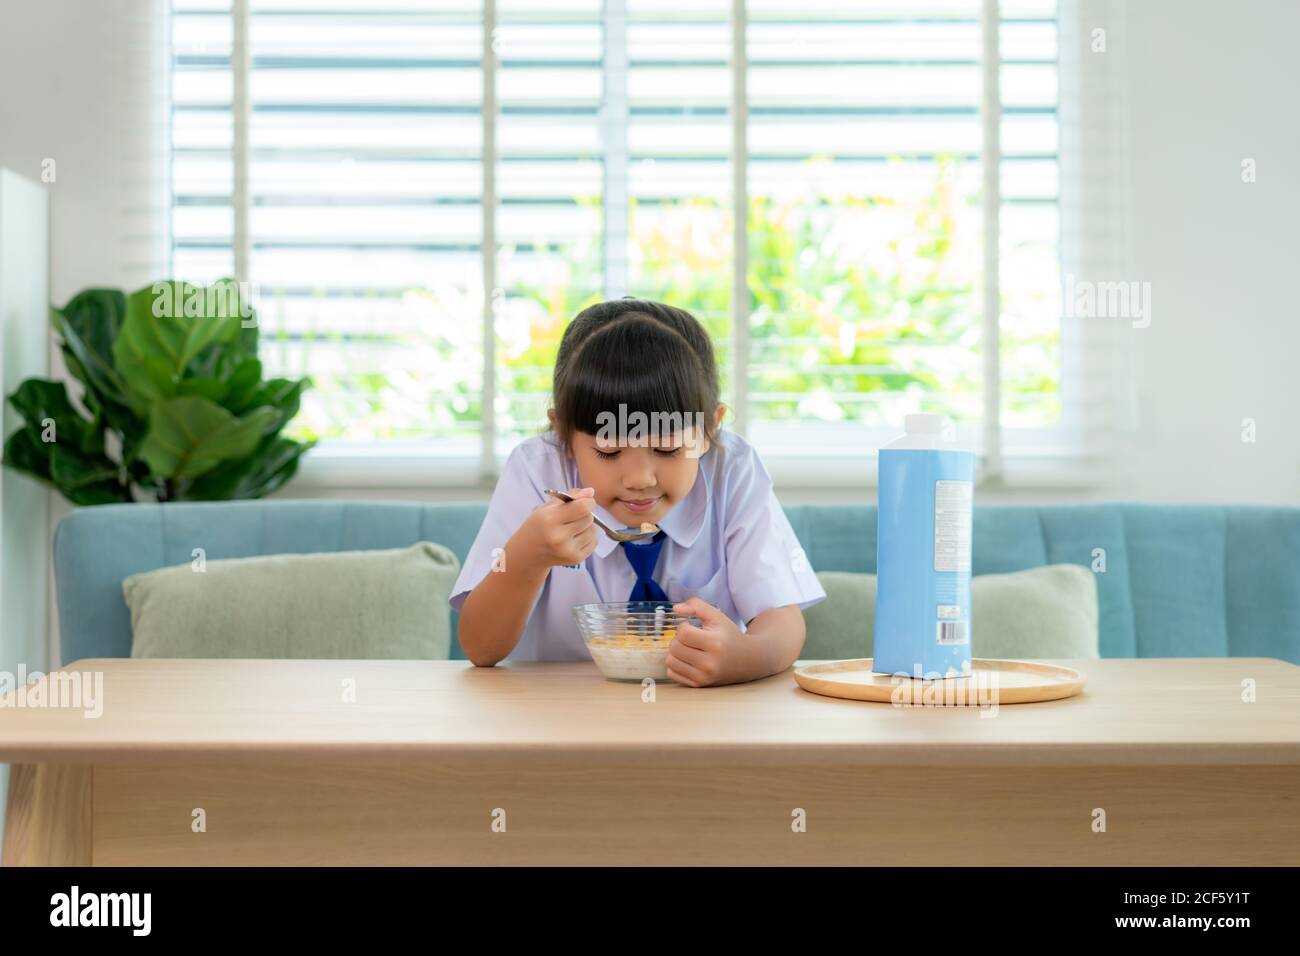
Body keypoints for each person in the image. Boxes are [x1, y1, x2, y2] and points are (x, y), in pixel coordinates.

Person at [450, 298, 826, 686]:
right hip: (560, 720)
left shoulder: (733, 469)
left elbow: (782, 623)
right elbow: (481, 648)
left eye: (667, 448)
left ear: (710, 429)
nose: (639, 478)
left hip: (704, 720)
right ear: (562, 435)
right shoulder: (536, 470)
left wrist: (747, 656)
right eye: (609, 451)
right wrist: (527, 555)